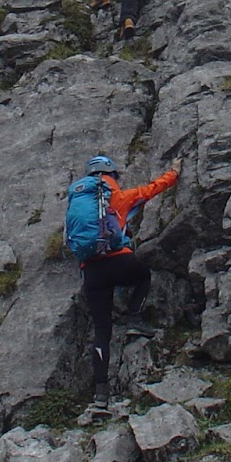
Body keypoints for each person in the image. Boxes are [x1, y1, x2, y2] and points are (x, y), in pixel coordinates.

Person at [77, 154, 181, 403]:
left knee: (102, 331)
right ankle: (134, 318)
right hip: (119, 260)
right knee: (143, 276)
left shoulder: (79, 201)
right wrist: (174, 172)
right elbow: (152, 189)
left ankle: (101, 393)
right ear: (112, 175)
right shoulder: (120, 197)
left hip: (91, 270)